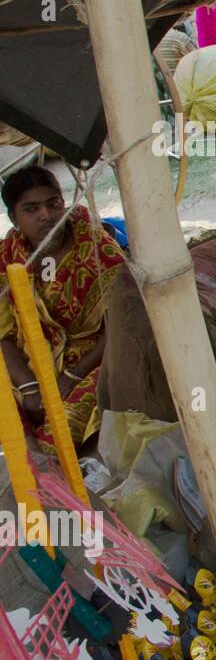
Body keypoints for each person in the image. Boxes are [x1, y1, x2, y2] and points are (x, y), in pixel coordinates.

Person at [0, 166, 125, 455]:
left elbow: (122, 321)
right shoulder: (7, 258)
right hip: (29, 362)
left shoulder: (95, 247)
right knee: (12, 413)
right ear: (14, 218)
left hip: (93, 358)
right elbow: (4, 335)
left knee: (62, 424)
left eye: (53, 203)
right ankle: (29, 458)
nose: (46, 215)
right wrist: (30, 386)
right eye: (31, 209)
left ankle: (54, 470)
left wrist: (72, 377)